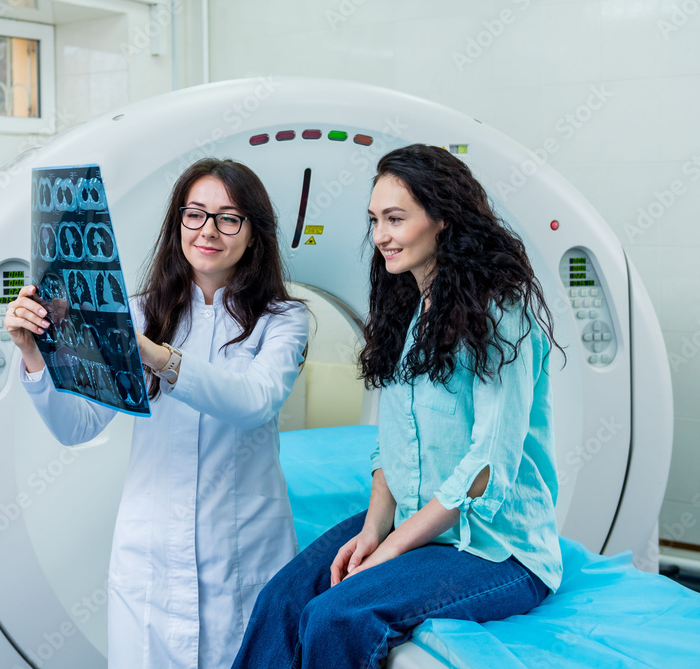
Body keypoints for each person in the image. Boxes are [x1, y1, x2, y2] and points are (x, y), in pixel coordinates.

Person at [232, 144, 564, 669]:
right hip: (416, 518)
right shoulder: (410, 306)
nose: (380, 236)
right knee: (282, 599)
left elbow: (484, 468)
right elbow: (395, 440)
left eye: (395, 219)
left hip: (496, 548)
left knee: (337, 617)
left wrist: (390, 552)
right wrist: (373, 530)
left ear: (443, 218)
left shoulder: (501, 310)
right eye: (374, 220)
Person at [5, 158, 309, 669]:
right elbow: (77, 426)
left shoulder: (283, 320)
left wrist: (150, 352)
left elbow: (253, 403)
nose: (208, 230)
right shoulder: (139, 311)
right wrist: (34, 354)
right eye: (195, 214)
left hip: (245, 556)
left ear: (254, 234)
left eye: (229, 217)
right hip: (150, 565)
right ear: (178, 225)